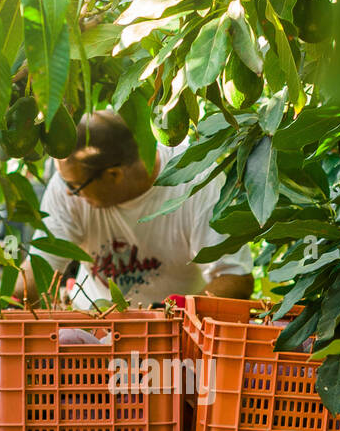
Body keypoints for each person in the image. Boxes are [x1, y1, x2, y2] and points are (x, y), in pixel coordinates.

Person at [19, 110, 253, 306]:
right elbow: (40, 271)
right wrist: (0, 298)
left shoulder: (196, 181)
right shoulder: (66, 186)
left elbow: (234, 279)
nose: (69, 192)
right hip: (92, 329)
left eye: (75, 187)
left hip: (176, 335)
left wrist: (172, 323)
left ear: (114, 175)